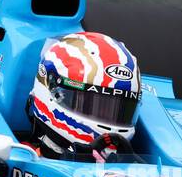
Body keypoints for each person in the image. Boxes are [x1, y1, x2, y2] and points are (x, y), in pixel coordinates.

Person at [24, 32, 141, 160]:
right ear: (53, 91)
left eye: (119, 112)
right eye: (91, 105)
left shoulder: (134, 168)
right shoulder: (21, 155)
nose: (108, 120)